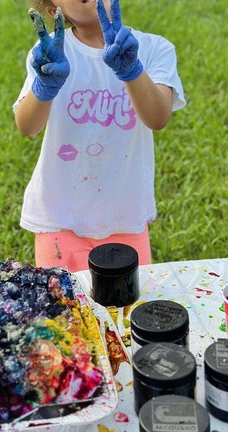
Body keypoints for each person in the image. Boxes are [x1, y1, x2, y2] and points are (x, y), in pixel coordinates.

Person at [13, 0, 185, 272]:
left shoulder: (154, 48)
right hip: (59, 218)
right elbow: (26, 126)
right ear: (51, 10)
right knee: (66, 309)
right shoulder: (50, 53)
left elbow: (158, 117)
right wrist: (44, 87)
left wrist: (132, 71)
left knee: (126, 307)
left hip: (125, 216)